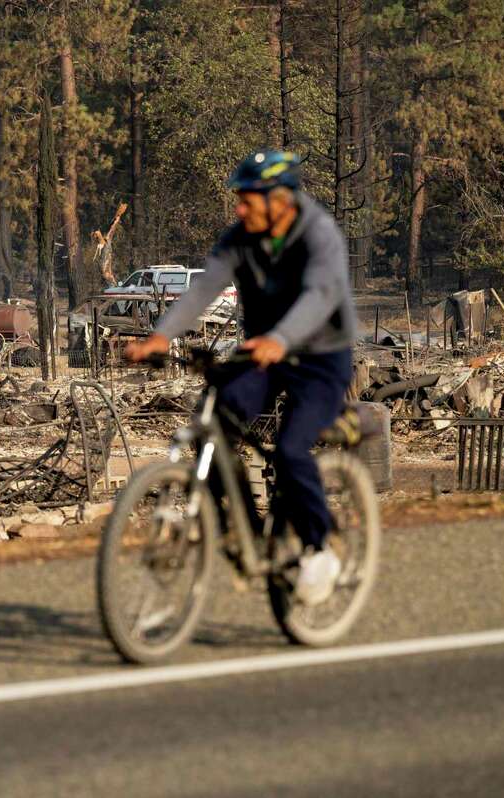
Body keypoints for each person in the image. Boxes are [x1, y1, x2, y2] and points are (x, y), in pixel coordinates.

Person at [125, 150, 358, 605]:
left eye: (249, 199)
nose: (239, 208)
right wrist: (161, 336)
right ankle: (238, 528)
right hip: (262, 354)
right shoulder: (240, 239)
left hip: (320, 358)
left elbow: (321, 295)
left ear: (282, 200)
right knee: (213, 419)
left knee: (291, 450)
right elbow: (203, 288)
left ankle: (319, 547)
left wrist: (283, 338)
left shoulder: (318, 233)